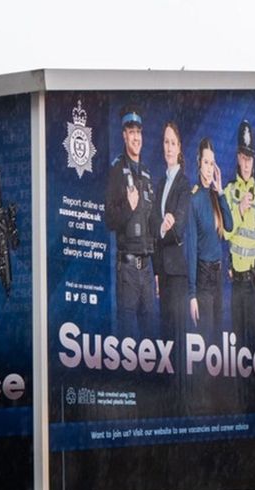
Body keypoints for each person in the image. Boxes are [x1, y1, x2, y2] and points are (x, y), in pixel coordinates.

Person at [105, 105, 157, 339]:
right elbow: (109, 219)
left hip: (147, 269)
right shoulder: (117, 171)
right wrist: (129, 206)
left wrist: (155, 270)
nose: (136, 137)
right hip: (127, 269)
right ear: (124, 135)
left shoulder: (146, 174)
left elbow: (151, 226)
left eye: (139, 132)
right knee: (128, 343)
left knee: (151, 343)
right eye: (131, 132)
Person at [224, 121, 255, 350]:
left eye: (250, 159)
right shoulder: (229, 192)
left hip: (252, 283)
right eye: (243, 158)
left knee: (254, 344)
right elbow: (224, 233)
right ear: (237, 158)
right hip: (235, 284)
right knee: (235, 343)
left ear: (254, 162)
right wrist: (240, 210)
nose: (246, 164)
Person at [186, 137, 233, 342]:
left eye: (212, 163)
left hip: (218, 274)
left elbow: (229, 226)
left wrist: (221, 191)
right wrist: (192, 295)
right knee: (206, 338)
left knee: (217, 338)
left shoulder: (215, 196)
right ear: (199, 162)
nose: (208, 168)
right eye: (206, 162)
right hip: (203, 276)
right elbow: (191, 249)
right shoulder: (194, 199)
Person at [152, 122, 190, 347]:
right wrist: (162, 226)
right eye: (166, 142)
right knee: (165, 337)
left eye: (173, 143)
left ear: (179, 148)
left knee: (177, 336)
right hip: (163, 272)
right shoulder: (159, 185)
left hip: (177, 272)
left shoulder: (184, 185)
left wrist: (164, 228)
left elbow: (178, 230)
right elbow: (153, 226)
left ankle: (180, 384)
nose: (169, 147)